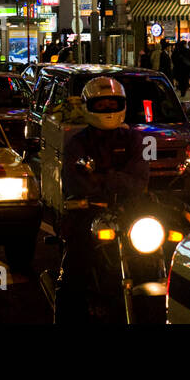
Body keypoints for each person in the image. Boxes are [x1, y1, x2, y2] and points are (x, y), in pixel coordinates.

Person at [57, 77, 151, 323]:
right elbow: (78, 183)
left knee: (155, 254)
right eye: (101, 105)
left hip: (128, 213)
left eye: (113, 104)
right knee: (74, 271)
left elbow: (139, 181)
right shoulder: (78, 143)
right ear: (89, 106)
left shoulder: (133, 139)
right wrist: (117, 179)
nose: (108, 110)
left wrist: (102, 175)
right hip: (87, 213)